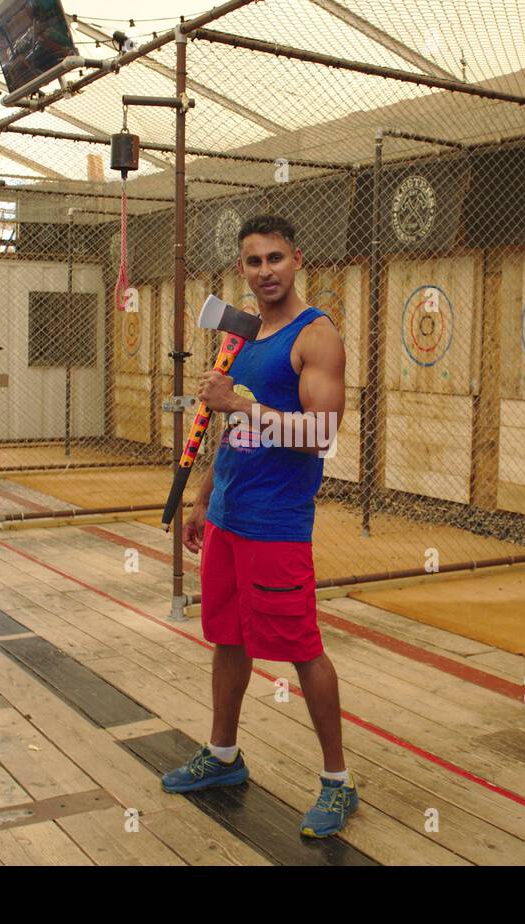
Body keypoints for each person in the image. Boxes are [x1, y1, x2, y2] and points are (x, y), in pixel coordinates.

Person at [161, 214, 354, 838]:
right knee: (227, 638)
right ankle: (222, 756)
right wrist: (202, 498)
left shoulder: (314, 336)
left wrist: (239, 403)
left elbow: (321, 436)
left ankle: (336, 783)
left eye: (275, 259)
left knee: (302, 650)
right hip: (227, 516)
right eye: (253, 261)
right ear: (240, 268)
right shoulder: (241, 333)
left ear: (297, 259)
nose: (265, 271)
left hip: (276, 522)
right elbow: (233, 430)